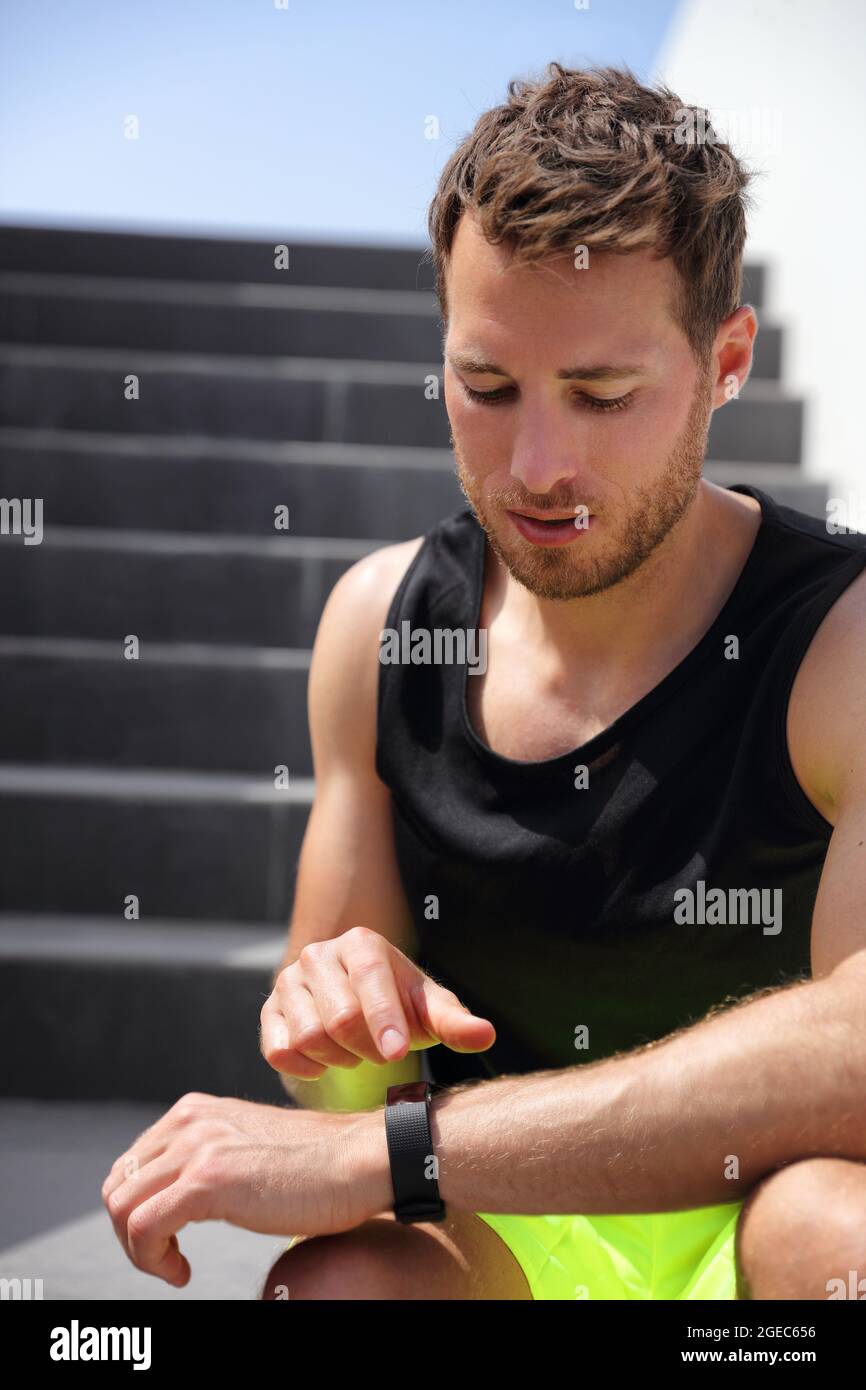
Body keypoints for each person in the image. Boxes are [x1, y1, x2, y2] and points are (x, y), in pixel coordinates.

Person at [102, 62, 866, 1301]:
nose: (536, 465)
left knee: (841, 1240)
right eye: (485, 386)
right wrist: (337, 1021)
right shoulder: (382, 626)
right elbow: (338, 1088)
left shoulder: (842, 639)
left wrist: (390, 1149)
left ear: (725, 361)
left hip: (762, 1230)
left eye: (601, 394)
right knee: (339, 1288)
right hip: (497, 1233)